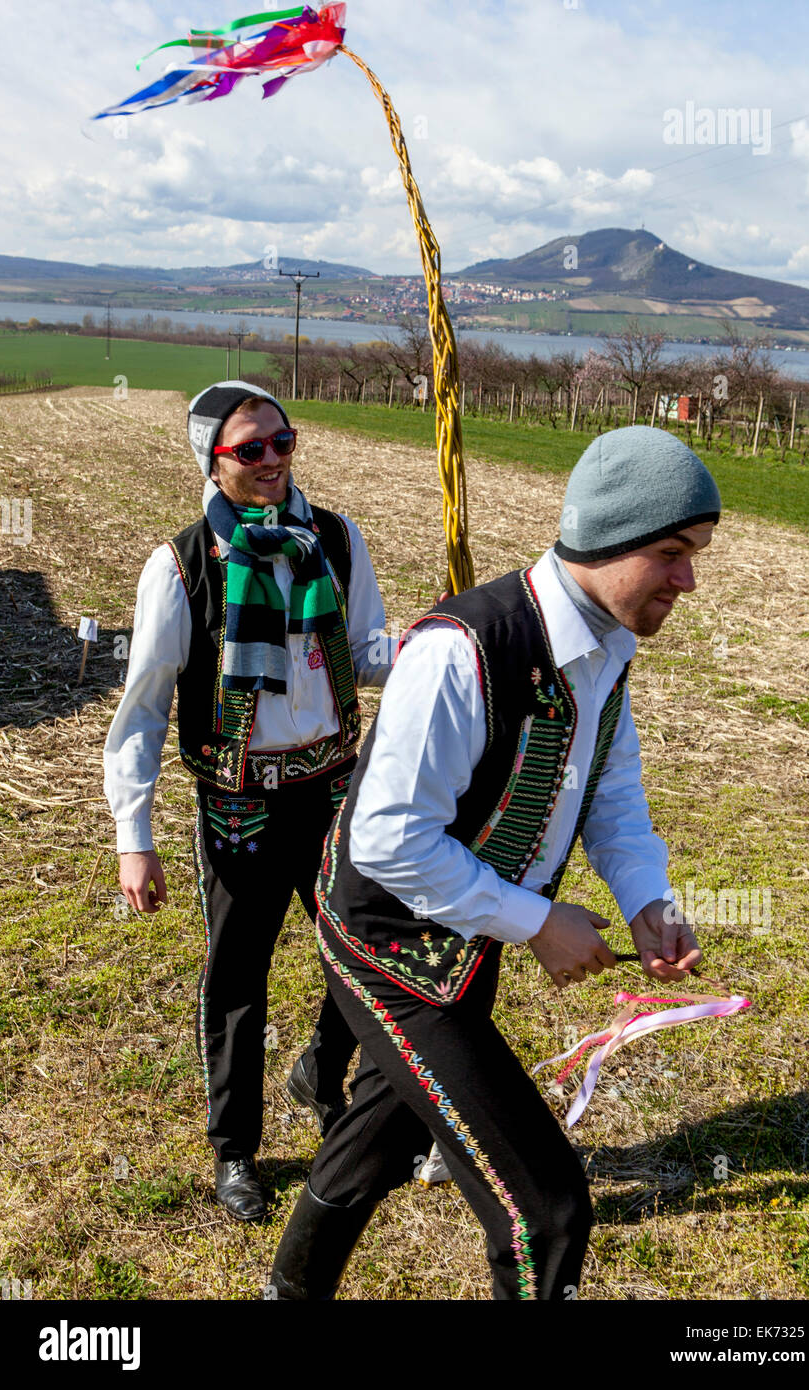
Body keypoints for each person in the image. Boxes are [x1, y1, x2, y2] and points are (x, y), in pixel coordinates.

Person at [268, 424, 718, 1300]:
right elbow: (389, 838)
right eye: (671, 552)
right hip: (388, 946)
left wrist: (646, 904)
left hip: (464, 934)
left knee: (383, 1136)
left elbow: (612, 797)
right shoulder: (461, 652)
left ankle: (289, 1292)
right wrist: (537, 921)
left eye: (694, 553)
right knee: (544, 1210)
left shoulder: (606, 646)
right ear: (611, 538)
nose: (688, 579)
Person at [103, 380, 395, 1222]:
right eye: (250, 449)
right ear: (213, 462)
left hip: (337, 785)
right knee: (239, 976)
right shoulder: (184, 565)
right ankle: (237, 1150)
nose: (273, 460)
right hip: (240, 804)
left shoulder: (336, 542)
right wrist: (135, 834)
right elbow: (144, 707)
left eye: (283, 441)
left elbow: (369, 648)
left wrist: (427, 646)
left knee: (366, 949)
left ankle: (322, 1070)